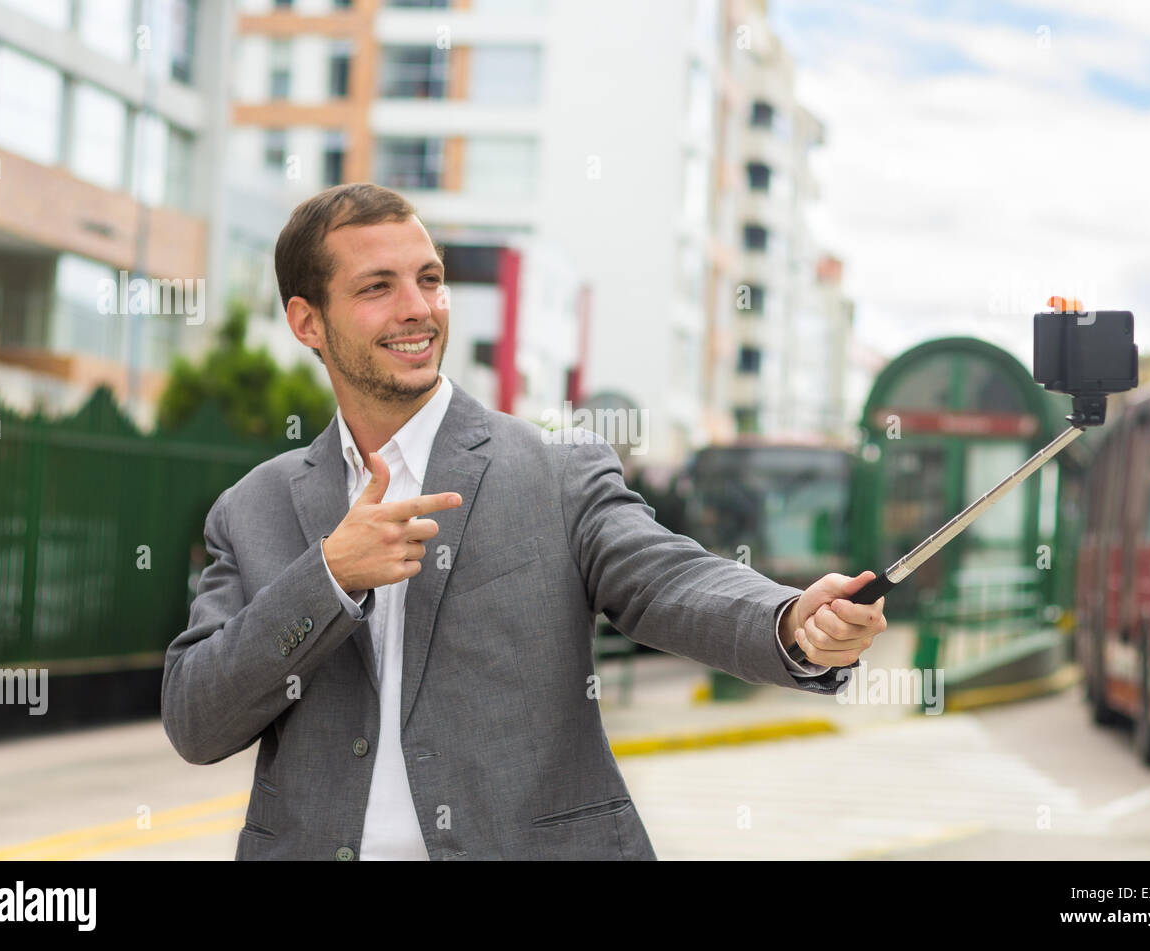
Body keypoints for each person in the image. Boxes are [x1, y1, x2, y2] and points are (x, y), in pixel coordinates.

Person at [160, 183, 887, 860]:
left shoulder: (556, 471)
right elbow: (196, 721)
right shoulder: (252, 506)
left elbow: (670, 577)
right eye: (377, 287)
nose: (418, 307)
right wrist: (327, 577)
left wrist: (789, 620)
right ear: (306, 321)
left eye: (430, 279)